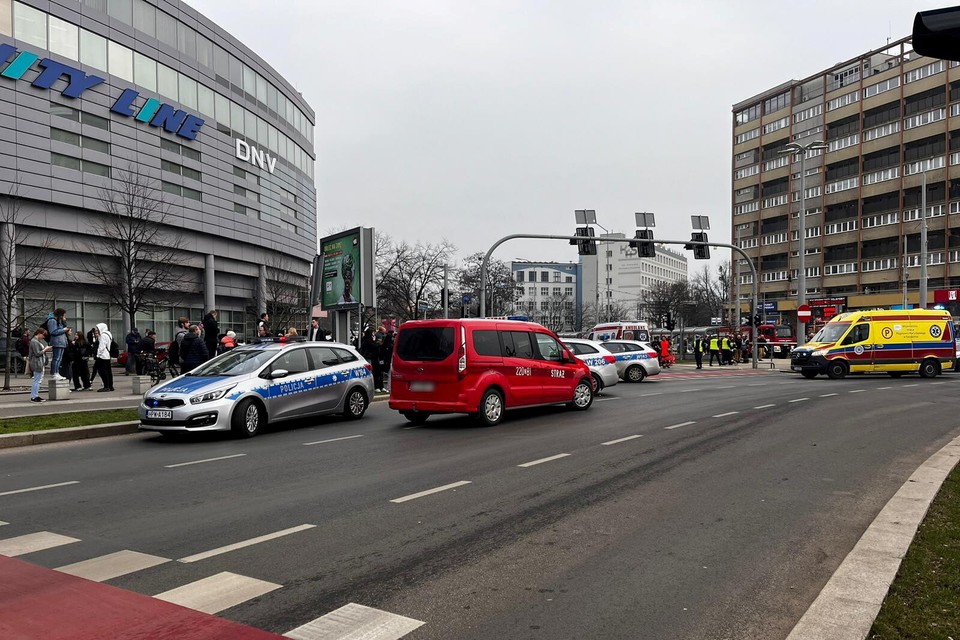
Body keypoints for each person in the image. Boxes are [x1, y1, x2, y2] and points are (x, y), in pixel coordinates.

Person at [28, 327, 52, 402]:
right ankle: (34, 396)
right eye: (43, 335)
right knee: (37, 380)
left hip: (39, 362)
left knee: (37, 380)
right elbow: (37, 353)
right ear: (39, 334)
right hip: (37, 363)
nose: (44, 337)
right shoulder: (34, 342)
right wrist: (45, 349)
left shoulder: (35, 341)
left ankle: (35, 395)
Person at [45, 308, 69, 381]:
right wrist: (63, 330)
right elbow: (53, 332)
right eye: (63, 315)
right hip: (57, 342)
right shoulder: (52, 320)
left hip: (61, 342)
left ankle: (57, 372)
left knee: (59, 359)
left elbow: (64, 327)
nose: (64, 316)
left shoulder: (58, 320)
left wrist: (64, 322)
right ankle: (54, 373)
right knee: (56, 358)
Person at [94, 323, 114, 392]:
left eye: (98, 328)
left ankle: (106, 386)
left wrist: (98, 355)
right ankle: (110, 386)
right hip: (107, 355)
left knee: (102, 371)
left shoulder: (103, 335)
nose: (97, 330)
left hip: (103, 355)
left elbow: (101, 347)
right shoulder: (108, 334)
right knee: (108, 371)